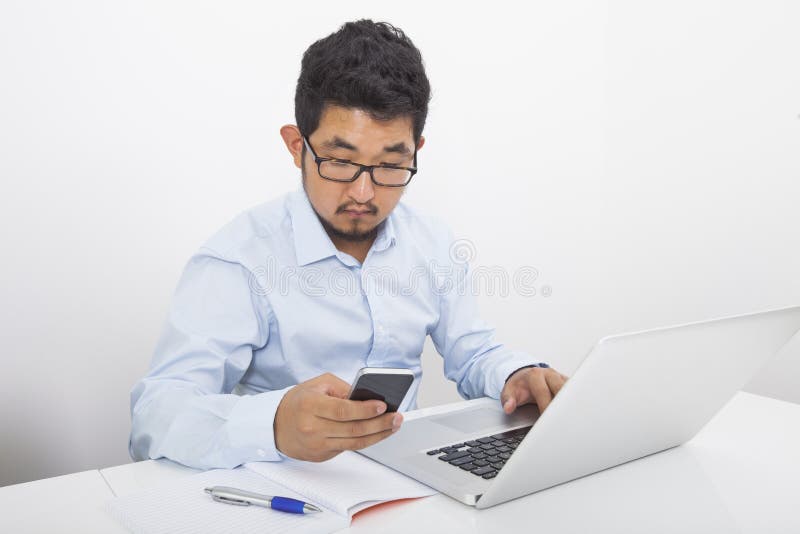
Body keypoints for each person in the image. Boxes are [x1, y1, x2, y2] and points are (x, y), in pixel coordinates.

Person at [129, 19, 566, 469]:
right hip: (285, 489)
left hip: (411, 481)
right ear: (297, 146)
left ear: (416, 150)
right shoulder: (238, 260)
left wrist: (518, 375)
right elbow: (156, 415)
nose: (363, 193)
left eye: (391, 165)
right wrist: (274, 425)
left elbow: (473, 352)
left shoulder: (430, 240)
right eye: (340, 161)